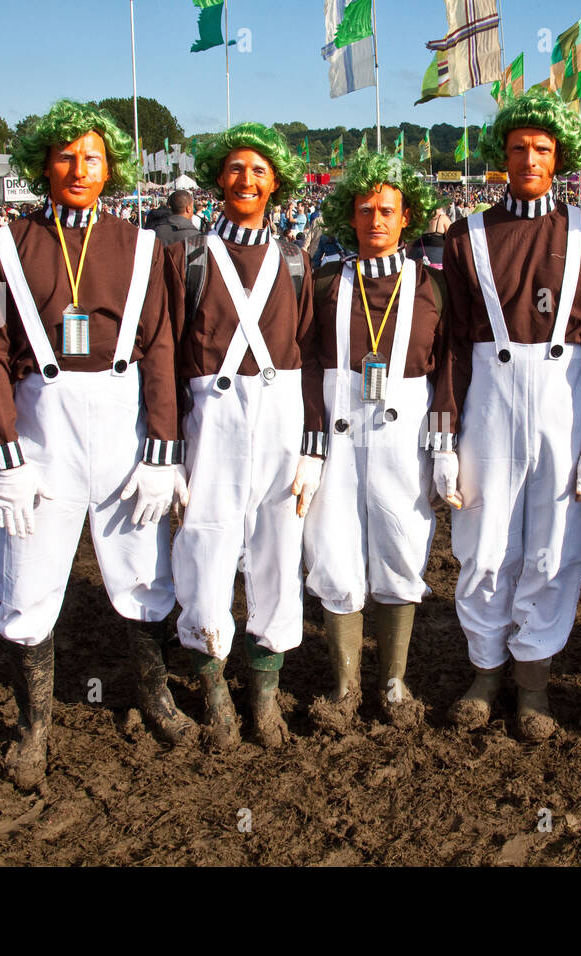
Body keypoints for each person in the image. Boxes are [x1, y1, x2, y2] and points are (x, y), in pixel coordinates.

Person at [0, 99, 191, 790]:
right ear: (43, 163)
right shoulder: (0, 247)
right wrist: (5, 458)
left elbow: (162, 350)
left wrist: (163, 451)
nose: (78, 168)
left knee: (145, 573)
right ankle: (33, 727)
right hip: (43, 431)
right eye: (65, 156)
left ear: (110, 167)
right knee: (29, 582)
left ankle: (156, 695)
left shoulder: (146, 245)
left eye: (92, 156)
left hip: (124, 427)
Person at [429, 88, 581, 741]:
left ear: (560, 154)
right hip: (489, 398)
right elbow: (450, 342)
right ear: (501, 155)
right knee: (482, 544)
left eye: (542, 148)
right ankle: (485, 669)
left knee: (554, 548)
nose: (530, 158)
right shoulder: (466, 233)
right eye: (518, 148)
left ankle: (532, 679)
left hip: (562, 402)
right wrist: (443, 436)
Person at [167, 122, 320, 750]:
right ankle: (214, 693)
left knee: (279, 553)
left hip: (283, 419)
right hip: (212, 420)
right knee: (204, 550)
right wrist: (167, 450)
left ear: (275, 180)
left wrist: (313, 446)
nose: (247, 180)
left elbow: (310, 356)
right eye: (235, 168)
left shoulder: (295, 260)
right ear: (217, 178)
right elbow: (167, 357)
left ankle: (264, 693)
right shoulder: (189, 258)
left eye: (259, 170)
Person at [305, 149, 445, 732]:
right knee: (332, 550)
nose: (376, 220)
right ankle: (343, 687)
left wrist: (445, 442)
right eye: (365, 210)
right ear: (350, 215)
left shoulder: (435, 286)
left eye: (387, 209)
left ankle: (393, 682)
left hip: (404, 431)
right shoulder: (323, 284)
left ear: (406, 215)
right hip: (338, 434)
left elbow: (454, 366)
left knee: (401, 547)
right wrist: (310, 441)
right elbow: (306, 364)